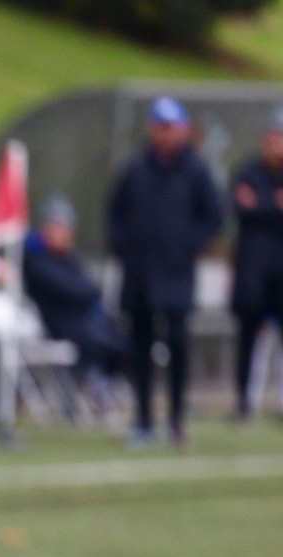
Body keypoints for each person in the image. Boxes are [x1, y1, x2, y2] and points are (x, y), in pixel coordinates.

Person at [107, 96, 224, 450]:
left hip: (176, 275)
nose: (167, 133)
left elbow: (214, 217)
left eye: (173, 127)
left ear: (184, 130)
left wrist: (187, 246)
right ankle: (143, 419)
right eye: (160, 126)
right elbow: (115, 215)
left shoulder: (196, 172)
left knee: (177, 345)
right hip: (139, 275)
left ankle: (175, 420)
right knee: (139, 347)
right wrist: (126, 250)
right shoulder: (136, 169)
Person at [22, 195, 127, 421]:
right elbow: (75, 290)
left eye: (67, 227)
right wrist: (86, 292)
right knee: (95, 340)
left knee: (121, 341)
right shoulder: (35, 259)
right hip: (58, 326)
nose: (64, 232)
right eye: (58, 226)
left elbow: (86, 289)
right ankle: (92, 389)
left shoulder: (70, 259)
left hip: (84, 321)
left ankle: (105, 387)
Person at [229, 109, 283, 423]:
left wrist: (258, 205)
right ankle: (245, 401)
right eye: (273, 136)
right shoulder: (248, 172)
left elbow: (254, 207)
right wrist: (272, 205)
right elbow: (241, 208)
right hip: (253, 272)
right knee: (252, 336)